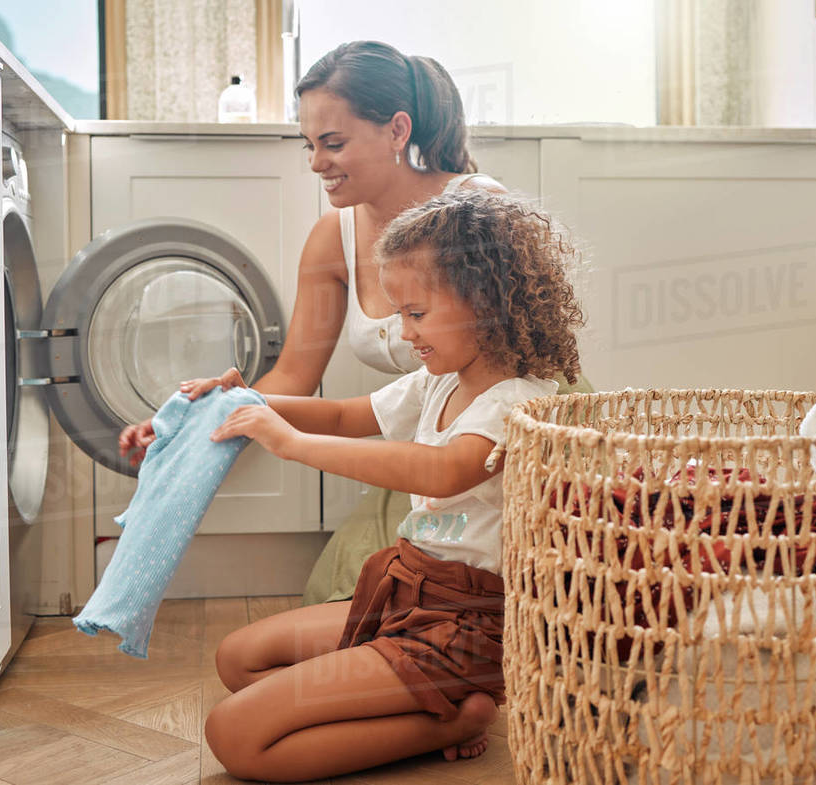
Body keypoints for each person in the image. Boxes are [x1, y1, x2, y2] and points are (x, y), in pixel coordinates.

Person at [197, 190, 584, 781]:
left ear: (485, 305)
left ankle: (455, 717)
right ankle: (427, 711)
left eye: (416, 314)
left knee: (234, 736)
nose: (404, 333)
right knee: (238, 661)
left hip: (467, 627)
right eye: (400, 314)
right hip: (408, 595)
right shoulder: (439, 380)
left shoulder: (522, 401)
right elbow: (346, 416)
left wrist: (288, 443)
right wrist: (249, 398)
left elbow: (444, 470)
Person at [117, 40, 515, 606]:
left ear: (397, 130)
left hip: (514, 438)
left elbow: (534, 343)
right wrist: (200, 414)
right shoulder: (334, 239)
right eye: (309, 145)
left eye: (333, 143)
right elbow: (295, 377)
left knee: (447, 598)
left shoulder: (473, 208)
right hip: (429, 449)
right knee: (338, 601)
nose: (315, 163)